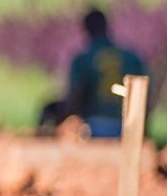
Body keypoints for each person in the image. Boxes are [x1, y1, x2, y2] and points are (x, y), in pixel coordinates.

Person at [38, 10, 148, 139]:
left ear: (86, 30)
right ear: (107, 27)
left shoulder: (83, 59)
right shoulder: (132, 58)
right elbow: (146, 98)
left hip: (93, 126)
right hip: (128, 128)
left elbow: (75, 97)